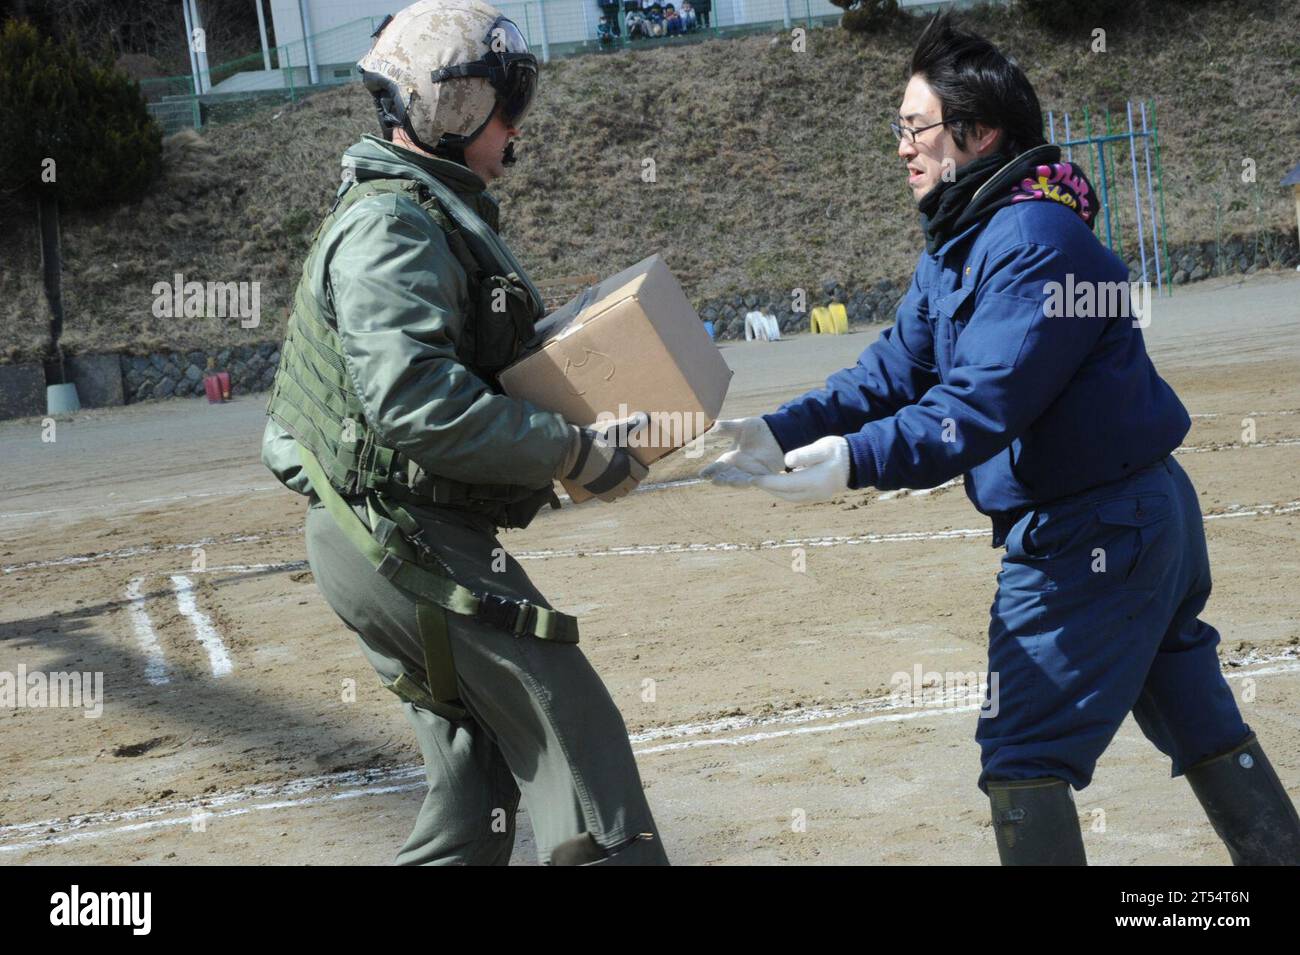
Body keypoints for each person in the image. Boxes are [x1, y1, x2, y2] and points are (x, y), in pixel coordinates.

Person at [702, 13, 1300, 866]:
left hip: (1094, 530)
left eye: (916, 129)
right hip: (1127, 519)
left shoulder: (1034, 241)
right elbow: (889, 372)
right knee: (1195, 714)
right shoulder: (965, 240)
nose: (902, 148)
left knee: (1022, 754)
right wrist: (776, 429)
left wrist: (854, 461)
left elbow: (979, 405)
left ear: (977, 135)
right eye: (899, 130)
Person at [262, 0, 668, 866]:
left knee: (473, 791)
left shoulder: (416, 211)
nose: (514, 129)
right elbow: (415, 401)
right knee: (575, 735)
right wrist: (570, 449)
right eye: (501, 106)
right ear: (448, 110)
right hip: (401, 537)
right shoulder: (391, 226)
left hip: (377, 532)